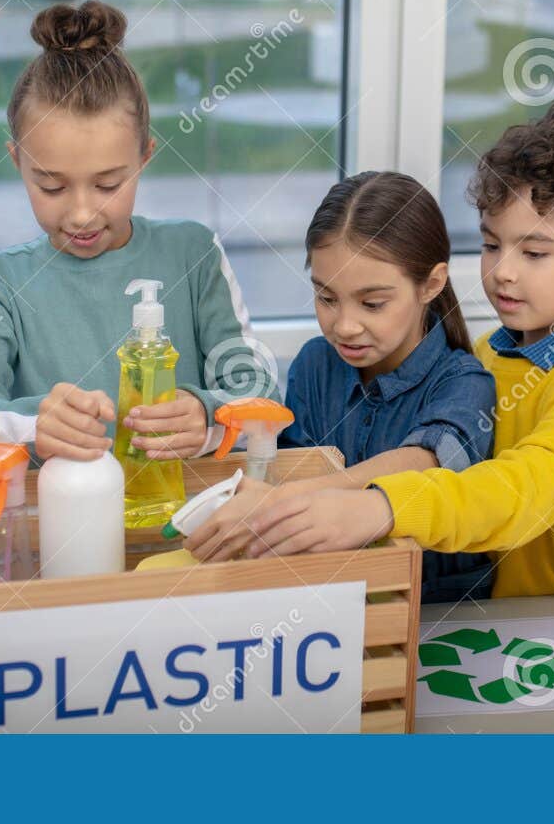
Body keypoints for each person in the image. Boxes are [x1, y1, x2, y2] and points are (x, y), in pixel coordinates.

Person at [236, 104, 554, 599]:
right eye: (492, 245)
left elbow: (517, 490)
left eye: (534, 253)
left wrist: (381, 505)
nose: (502, 272)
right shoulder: (492, 353)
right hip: (485, 616)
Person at [0, 0, 273, 464]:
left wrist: (208, 416)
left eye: (108, 185)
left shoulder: (194, 255)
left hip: (187, 509)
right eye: (51, 186)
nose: (82, 214)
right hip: (53, 510)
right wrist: (33, 427)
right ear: (17, 161)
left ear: (145, 157)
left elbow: (260, 392)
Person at [188, 171, 495, 602]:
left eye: (372, 304)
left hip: (436, 611)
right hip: (331, 604)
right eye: (327, 298)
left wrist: (282, 500)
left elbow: (426, 462)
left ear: (431, 284)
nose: (345, 326)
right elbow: (295, 465)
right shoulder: (315, 366)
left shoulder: (465, 383)